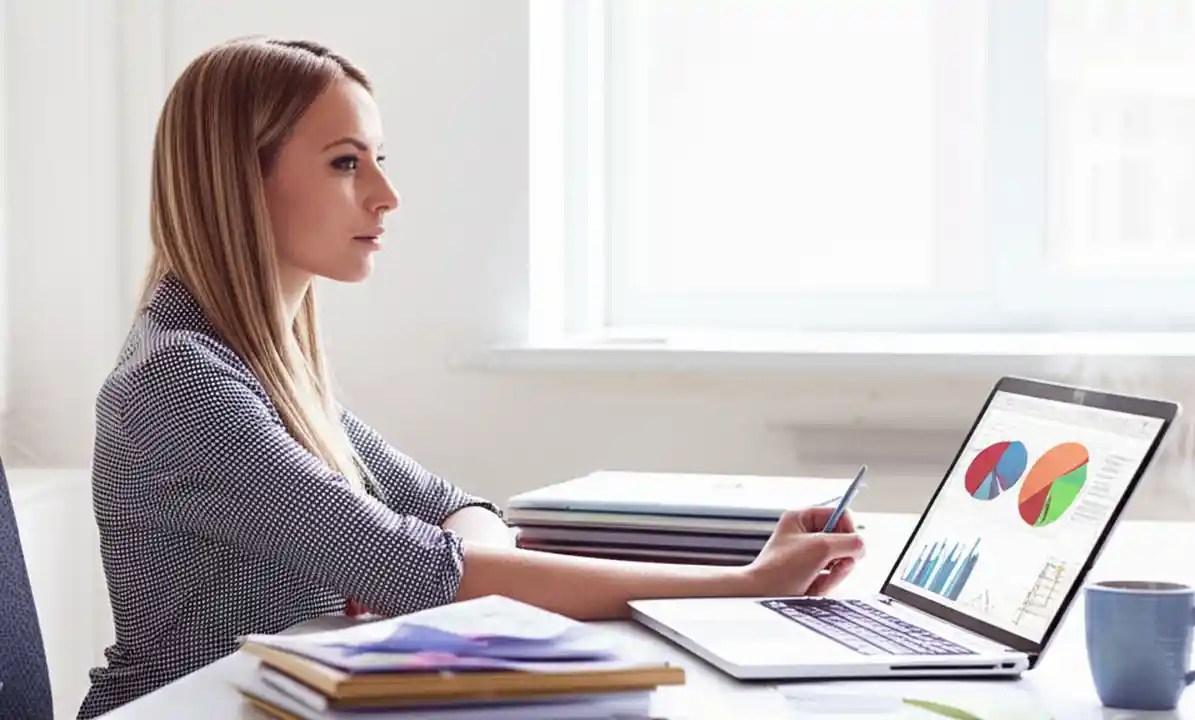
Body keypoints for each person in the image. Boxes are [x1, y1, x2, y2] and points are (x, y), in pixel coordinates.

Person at [78, 36, 866, 718]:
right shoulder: (181, 382)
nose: (387, 196)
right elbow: (428, 569)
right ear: (241, 182)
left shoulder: (262, 366)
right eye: (346, 164)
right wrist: (746, 585)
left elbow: (455, 515)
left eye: (377, 159)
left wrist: (420, 570)